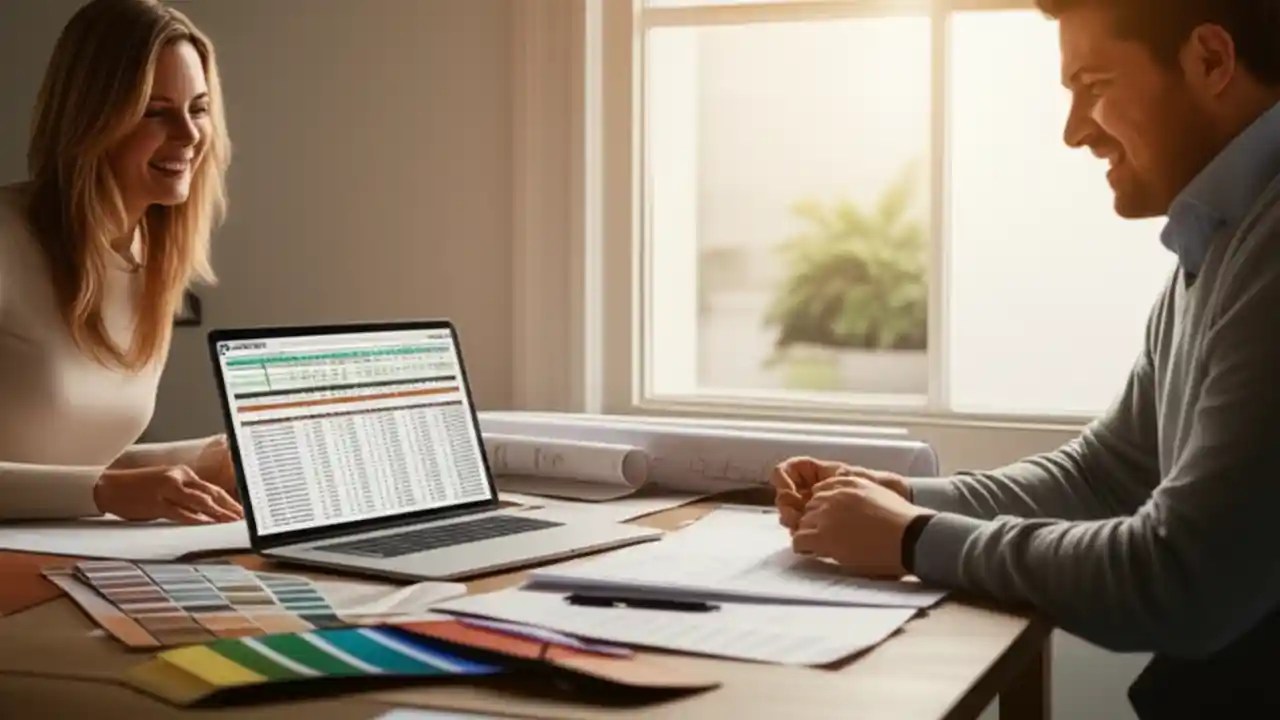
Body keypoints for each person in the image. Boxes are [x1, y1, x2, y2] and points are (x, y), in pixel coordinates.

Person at [772, 0, 1280, 715]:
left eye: (1094, 85)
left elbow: (1186, 579)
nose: (1074, 131)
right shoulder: (1221, 234)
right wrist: (901, 498)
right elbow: (1105, 475)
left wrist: (915, 539)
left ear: (1211, 61)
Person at [0, 0, 242, 525]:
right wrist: (106, 493)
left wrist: (203, 462)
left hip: (69, 553)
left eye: (198, 108)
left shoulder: (150, 258)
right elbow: (93, 483)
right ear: (91, 120)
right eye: (156, 111)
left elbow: (67, 465)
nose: (189, 134)